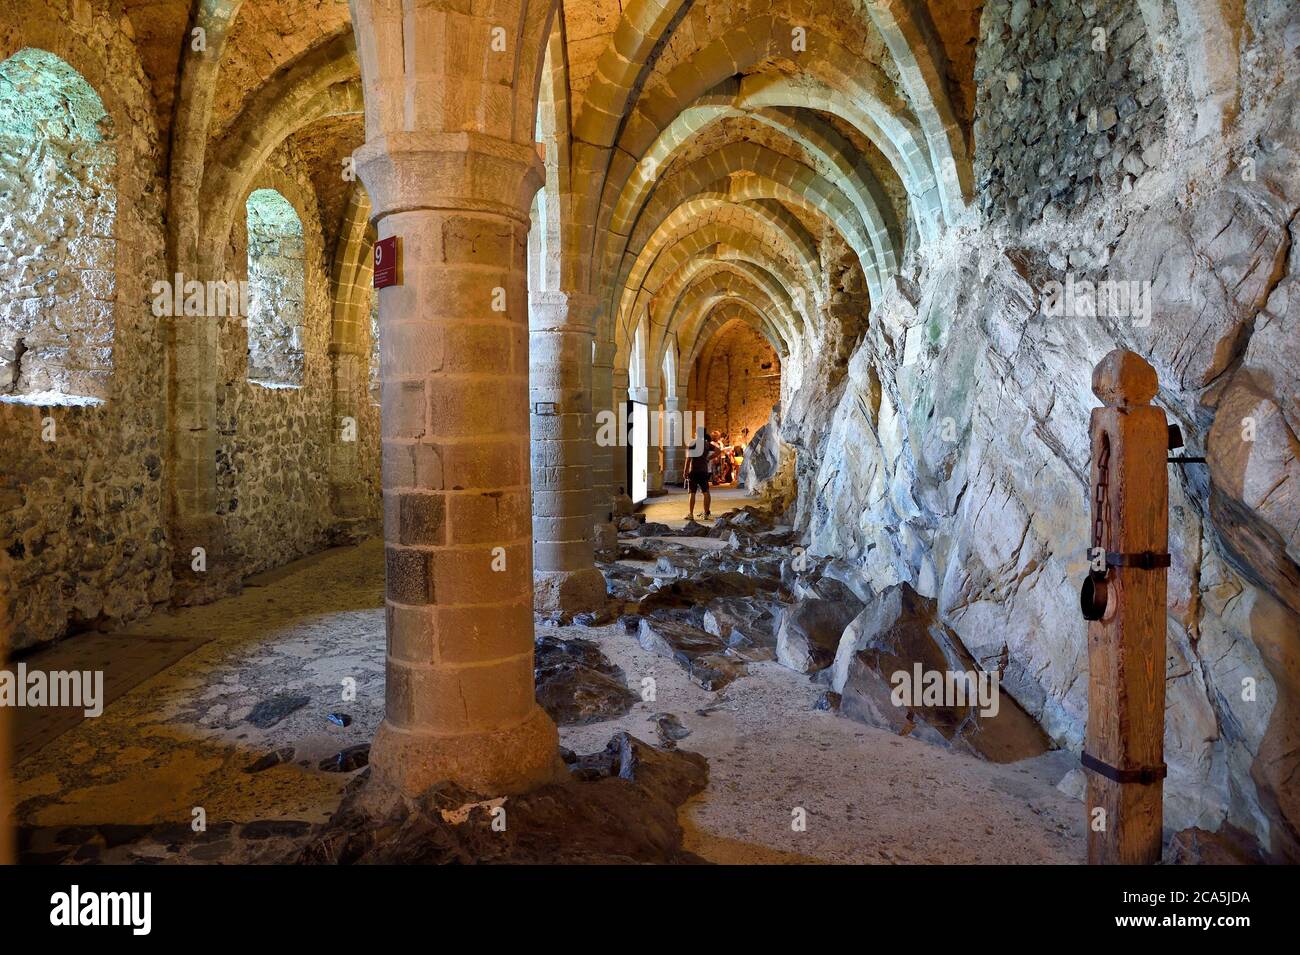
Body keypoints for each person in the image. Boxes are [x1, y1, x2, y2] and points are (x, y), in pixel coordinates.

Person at [683, 426, 718, 520]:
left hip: (694, 470)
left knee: (692, 492)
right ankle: (706, 513)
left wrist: (685, 471)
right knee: (706, 492)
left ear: (697, 434)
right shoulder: (707, 444)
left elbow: (688, 458)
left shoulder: (692, 443)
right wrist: (708, 458)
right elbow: (718, 451)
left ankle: (690, 514)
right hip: (703, 471)